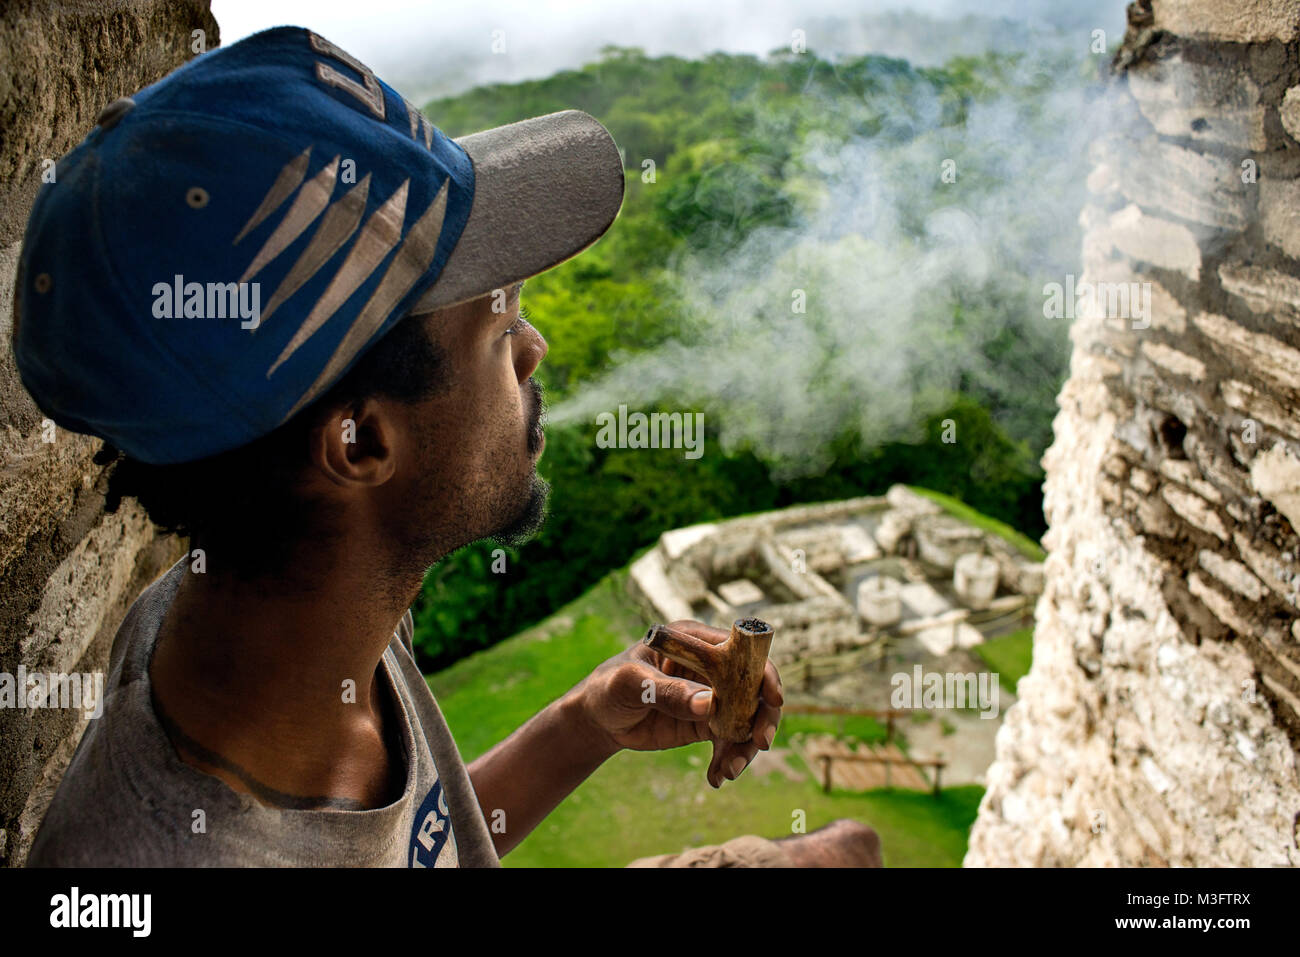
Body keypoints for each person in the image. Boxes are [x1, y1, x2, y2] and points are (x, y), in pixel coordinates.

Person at [15, 25, 794, 868]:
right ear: (359, 443)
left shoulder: (289, 605)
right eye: (498, 326)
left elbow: (411, 845)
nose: (534, 346)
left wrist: (583, 722)